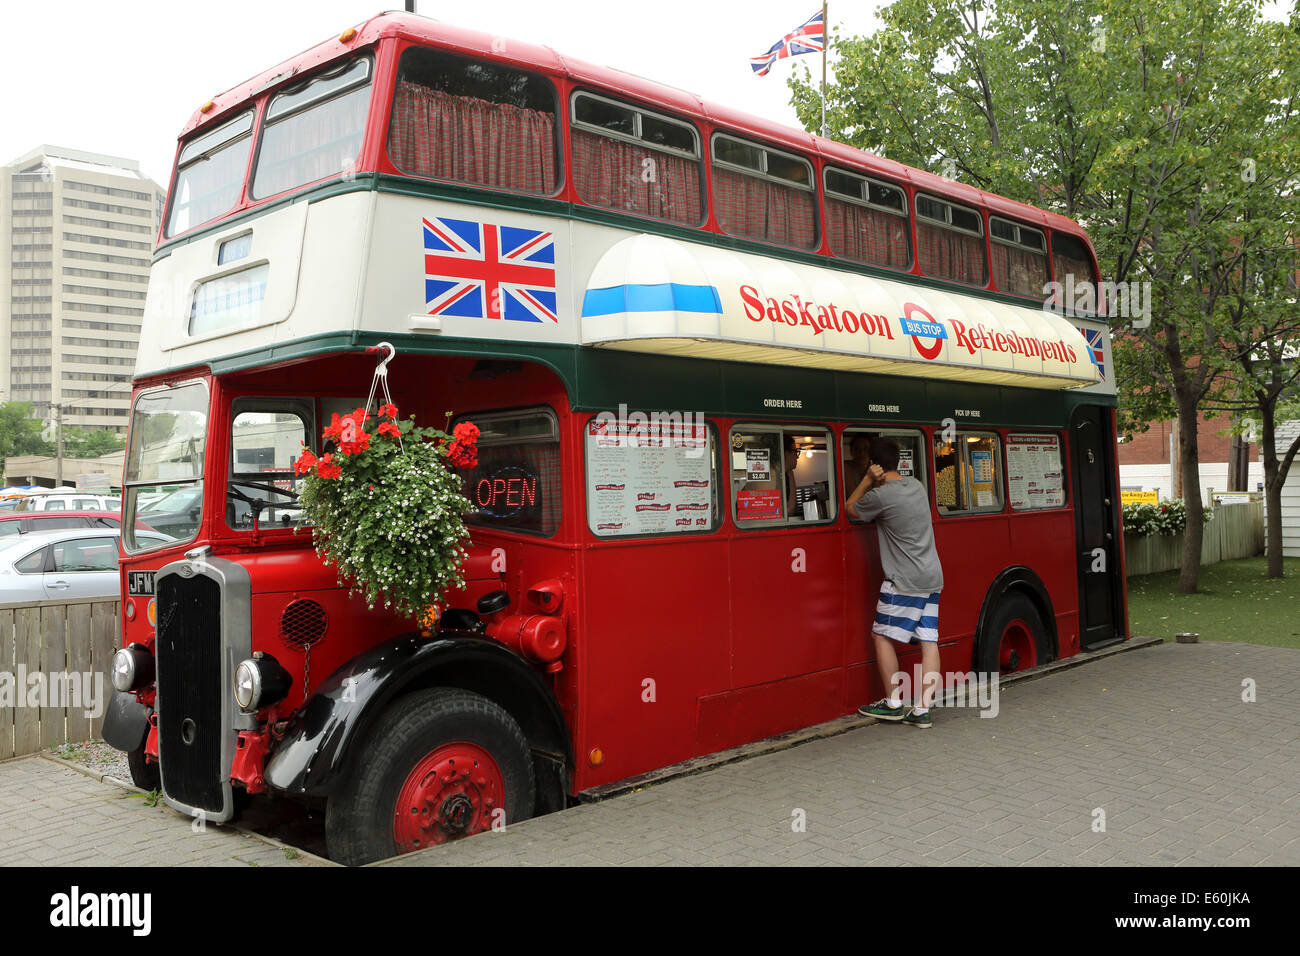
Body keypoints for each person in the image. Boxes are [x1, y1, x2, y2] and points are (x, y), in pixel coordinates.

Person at [846, 436, 944, 728]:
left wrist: (865, 480)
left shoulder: (880, 496)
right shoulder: (917, 486)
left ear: (873, 464)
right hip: (932, 576)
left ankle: (893, 704)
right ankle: (922, 710)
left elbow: (850, 508)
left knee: (880, 635)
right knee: (929, 641)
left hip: (904, 580)